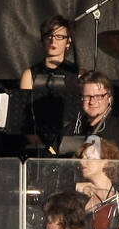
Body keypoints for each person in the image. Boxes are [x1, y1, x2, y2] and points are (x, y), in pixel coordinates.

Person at [19, 15, 80, 150]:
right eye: (49, 36)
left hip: (70, 144)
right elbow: (24, 119)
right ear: (42, 40)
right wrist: (39, 145)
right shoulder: (29, 75)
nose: (53, 40)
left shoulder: (78, 74)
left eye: (59, 37)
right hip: (38, 145)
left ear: (68, 41)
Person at [74, 137, 119, 229]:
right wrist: (76, 186)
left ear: (106, 161)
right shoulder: (80, 196)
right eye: (82, 158)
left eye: (89, 158)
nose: (82, 162)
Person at [69, 71, 119, 156]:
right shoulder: (69, 131)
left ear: (110, 99)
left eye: (98, 96)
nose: (92, 101)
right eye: (87, 96)